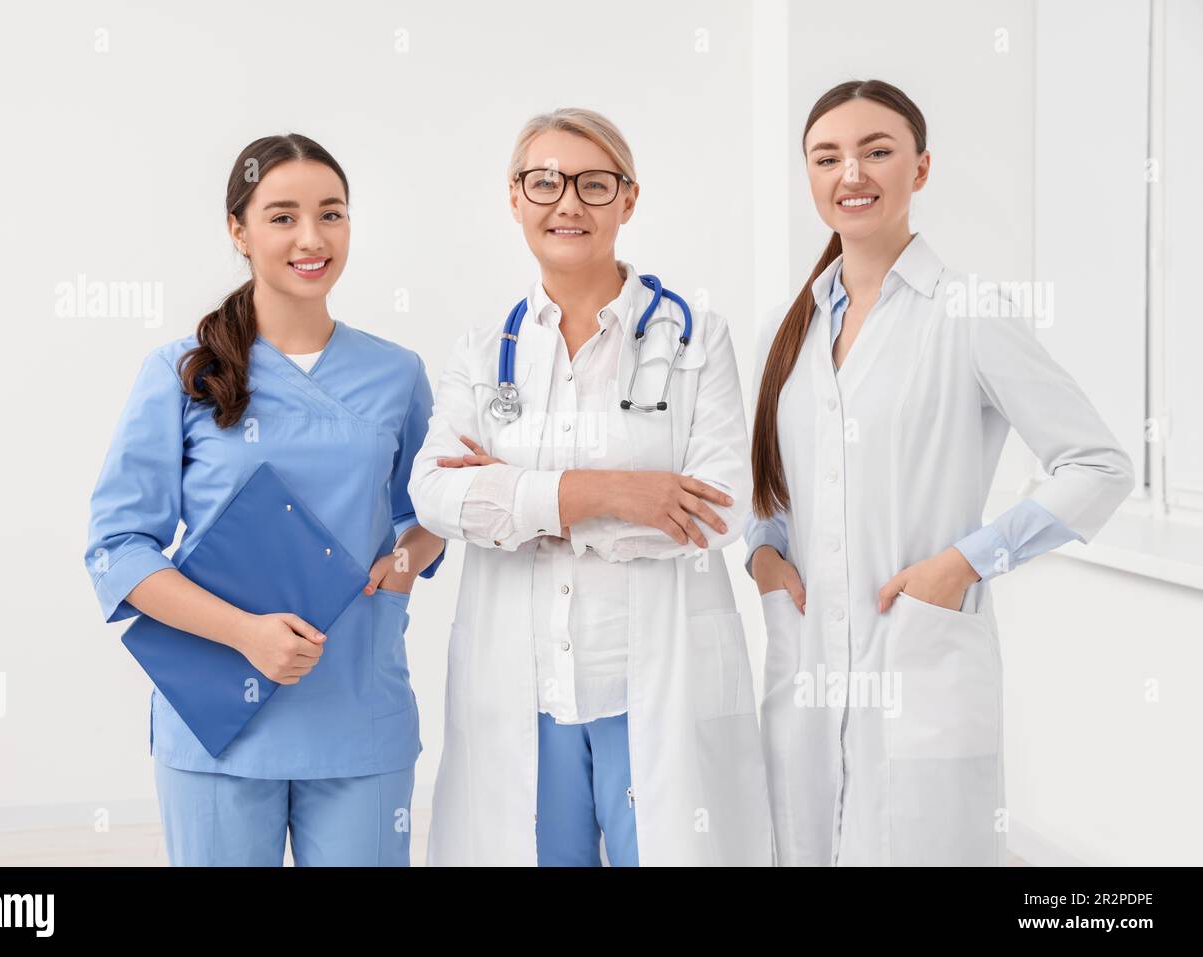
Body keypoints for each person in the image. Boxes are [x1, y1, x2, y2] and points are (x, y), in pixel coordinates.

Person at [745, 80, 1135, 866]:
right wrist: (762, 554)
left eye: (876, 151)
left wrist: (963, 564)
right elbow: (778, 489)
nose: (851, 173)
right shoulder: (789, 329)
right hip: (811, 669)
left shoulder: (968, 312)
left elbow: (1097, 464)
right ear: (811, 178)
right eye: (828, 157)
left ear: (919, 170)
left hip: (919, 662)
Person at [409, 108, 773, 866]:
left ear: (628, 199)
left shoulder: (696, 338)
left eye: (592, 182)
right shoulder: (485, 347)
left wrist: (517, 499)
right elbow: (435, 496)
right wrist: (608, 491)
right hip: (525, 689)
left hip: (646, 685)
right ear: (515, 197)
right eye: (543, 181)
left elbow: (720, 507)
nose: (567, 202)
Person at [84, 133, 444, 866]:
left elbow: (430, 512)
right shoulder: (180, 372)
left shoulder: (396, 373)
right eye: (282, 216)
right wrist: (245, 633)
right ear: (238, 231)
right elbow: (118, 546)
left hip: (356, 710)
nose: (311, 238)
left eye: (331, 214)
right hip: (217, 722)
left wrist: (403, 562)